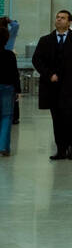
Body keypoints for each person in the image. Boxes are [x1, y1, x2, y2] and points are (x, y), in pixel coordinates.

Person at [31, 10, 72, 161]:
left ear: (69, 22)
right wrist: (49, 74)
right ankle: (60, 149)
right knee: (57, 119)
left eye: (63, 18)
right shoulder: (45, 40)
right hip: (52, 88)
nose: (59, 20)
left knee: (70, 117)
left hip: (71, 88)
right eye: (58, 17)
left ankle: (71, 145)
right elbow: (37, 60)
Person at [0, 24, 20, 156]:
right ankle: (3, 147)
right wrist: (18, 90)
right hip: (7, 88)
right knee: (6, 117)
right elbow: (15, 74)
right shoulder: (10, 55)